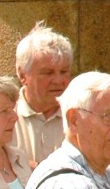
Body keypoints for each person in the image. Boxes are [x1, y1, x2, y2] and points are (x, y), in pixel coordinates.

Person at [12, 22, 74, 169]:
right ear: (22, 75)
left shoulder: (83, 116)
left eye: (64, 71)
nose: (58, 81)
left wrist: (32, 168)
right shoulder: (3, 116)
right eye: (48, 73)